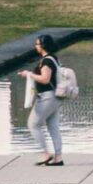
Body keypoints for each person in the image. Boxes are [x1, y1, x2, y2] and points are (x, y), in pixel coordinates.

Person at [19, 35, 66, 165]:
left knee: (33, 124)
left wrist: (29, 74)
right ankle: (58, 157)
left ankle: (45, 153)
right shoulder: (54, 58)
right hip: (56, 97)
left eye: (37, 44)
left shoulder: (46, 61)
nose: (36, 46)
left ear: (43, 46)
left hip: (47, 97)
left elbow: (45, 79)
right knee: (53, 127)